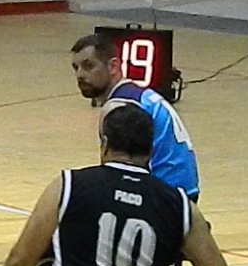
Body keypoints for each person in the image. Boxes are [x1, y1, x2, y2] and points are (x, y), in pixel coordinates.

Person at [0, 104, 230, 266]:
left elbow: (20, 259)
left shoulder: (67, 185)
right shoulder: (180, 203)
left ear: (105, 144)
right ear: (151, 149)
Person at [71, 33, 199, 200]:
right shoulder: (139, 94)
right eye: (76, 68)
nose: (80, 75)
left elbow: (121, 170)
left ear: (113, 66)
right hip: (184, 189)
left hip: (166, 195)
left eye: (88, 66)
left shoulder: (119, 106)